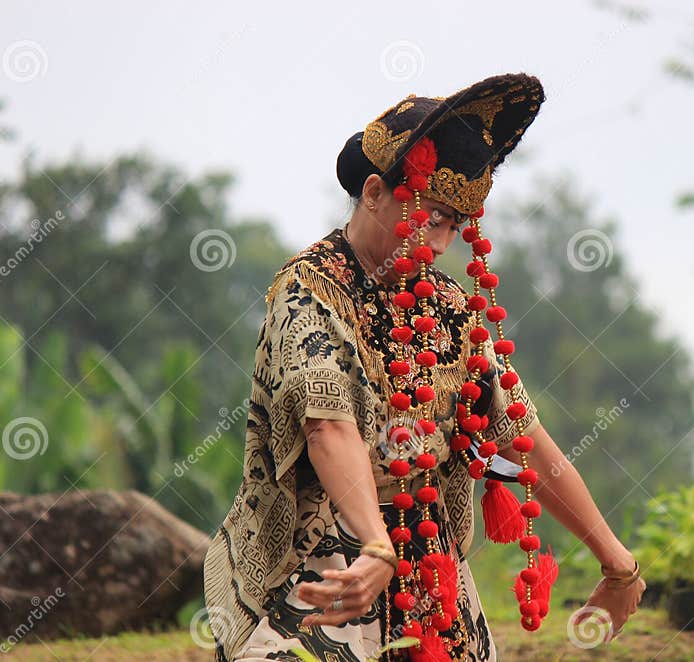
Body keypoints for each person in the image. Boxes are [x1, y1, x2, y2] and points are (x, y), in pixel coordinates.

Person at [203, 72, 645, 662]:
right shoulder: (309, 291)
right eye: (432, 216)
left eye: (454, 227)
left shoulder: (450, 309)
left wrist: (617, 563)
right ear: (374, 192)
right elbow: (328, 427)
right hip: (325, 555)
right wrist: (375, 546)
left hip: (432, 567)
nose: (440, 244)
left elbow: (519, 436)